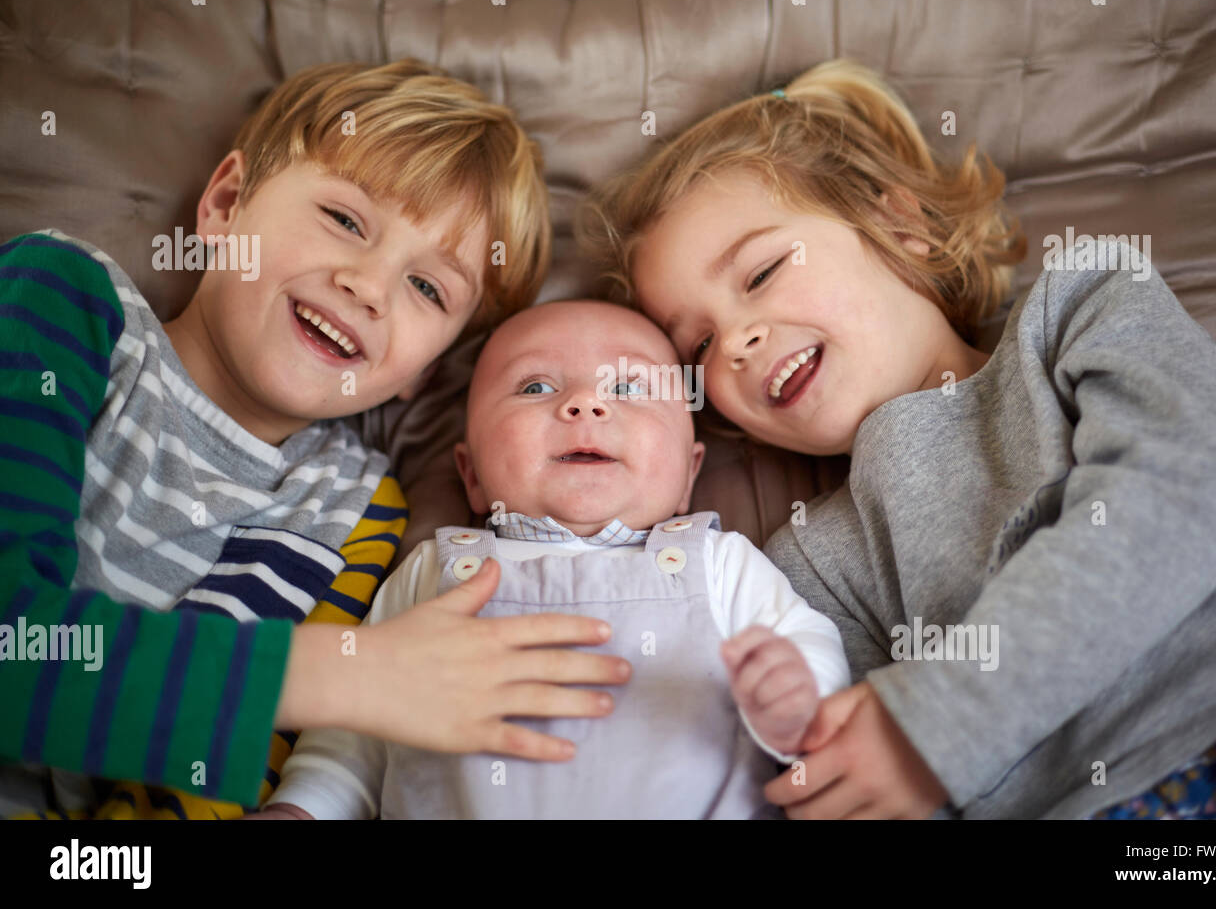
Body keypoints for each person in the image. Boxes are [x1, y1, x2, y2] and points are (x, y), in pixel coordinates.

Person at [578, 58, 1216, 819]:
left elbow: (1188, 496)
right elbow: (859, 770)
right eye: (696, 347)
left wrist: (936, 720)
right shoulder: (811, 565)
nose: (737, 342)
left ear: (902, 226)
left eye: (758, 274)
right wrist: (798, 728)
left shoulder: (1077, 307)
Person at [0, 59, 628, 818]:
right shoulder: (63, 301)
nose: (368, 285)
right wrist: (353, 676)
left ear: (421, 376)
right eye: (345, 220)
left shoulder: (359, 510)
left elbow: (223, 784)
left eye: (428, 288)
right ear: (226, 206)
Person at [252, 300, 850, 818]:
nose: (586, 404)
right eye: (536, 386)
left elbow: (808, 640)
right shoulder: (437, 575)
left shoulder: (721, 565)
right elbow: (355, 717)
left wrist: (795, 697)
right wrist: (303, 805)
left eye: (630, 388)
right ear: (472, 476)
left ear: (689, 475)